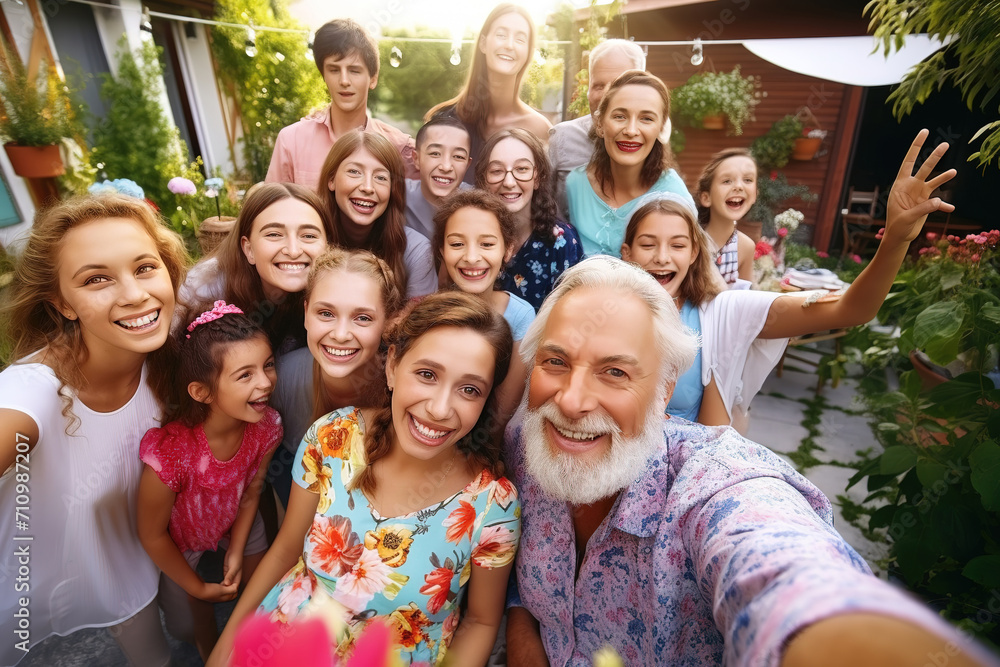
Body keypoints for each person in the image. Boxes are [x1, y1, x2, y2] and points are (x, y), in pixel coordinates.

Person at [503, 256, 994, 667]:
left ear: (664, 390)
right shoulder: (532, 445)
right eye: (556, 361)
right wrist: (525, 634)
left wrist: (838, 632)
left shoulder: (716, 482)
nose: (570, 401)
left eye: (614, 372)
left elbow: (783, 568)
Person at [209, 292, 520, 666]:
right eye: (426, 374)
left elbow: (482, 621)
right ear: (391, 366)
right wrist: (226, 646)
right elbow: (284, 550)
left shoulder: (494, 506)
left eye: (469, 390)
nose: (439, 408)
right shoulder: (332, 437)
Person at [620, 130, 956, 430]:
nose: (662, 256)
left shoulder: (723, 311)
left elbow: (850, 310)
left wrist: (895, 239)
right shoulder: (607, 311)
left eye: (677, 245)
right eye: (648, 244)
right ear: (627, 253)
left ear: (695, 253)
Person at [0, 194, 188, 667]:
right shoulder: (31, 394)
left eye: (145, 267)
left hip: (123, 563)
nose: (133, 294)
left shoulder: (173, 351)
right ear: (62, 303)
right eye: (97, 279)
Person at [138, 301, 281, 660]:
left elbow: (252, 490)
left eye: (267, 365)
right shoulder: (173, 453)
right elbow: (151, 534)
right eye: (245, 375)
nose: (265, 382)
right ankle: (209, 650)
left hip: (238, 520)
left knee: (263, 586)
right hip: (184, 537)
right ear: (202, 392)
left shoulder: (267, 427)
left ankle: (257, 645)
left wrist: (237, 545)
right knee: (192, 614)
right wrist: (198, 587)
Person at [269, 247, 405, 507]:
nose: (341, 334)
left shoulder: (400, 388)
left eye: (362, 318)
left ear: (388, 322)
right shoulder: (281, 378)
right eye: (326, 314)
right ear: (306, 312)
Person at [178, 182, 336, 355]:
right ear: (249, 249)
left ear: (327, 246)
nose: (293, 251)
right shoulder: (203, 288)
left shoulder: (335, 286)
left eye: (308, 236)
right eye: (274, 234)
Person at [266, 18, 418, 189]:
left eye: (354, 71)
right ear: (324, 75)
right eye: (334, 70)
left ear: (373, 79)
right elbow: (271, 210)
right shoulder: (291, 140)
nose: (344, 81)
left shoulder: (399, 146)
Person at [565, 70, 694, 257]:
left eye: (646, 119)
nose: (631, 130)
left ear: (661, 128)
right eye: (620, 116)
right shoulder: (574, 185)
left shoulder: (674, 195)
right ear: (600, 124)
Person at [433, 188, 533, 424]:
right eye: (457, 244)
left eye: (486, 244)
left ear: (507, 250)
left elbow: (500, 416)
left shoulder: (521, 316)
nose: (471, 257)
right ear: (442, 251)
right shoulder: (431, 315)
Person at [426, 3, 552, 184]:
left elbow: (544, 202)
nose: (509, 45)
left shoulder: (539, 130)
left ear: (528, 53)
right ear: (483, 43)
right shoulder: (446, 120)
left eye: (520, 39)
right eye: (501, 35)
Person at [318, 130, 438, 299]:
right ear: (331, 180)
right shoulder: (308, 241)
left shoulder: (416, 251)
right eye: (354, 172)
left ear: (392, 189)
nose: (368, 187)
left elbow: (420, 323)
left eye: (381, 177)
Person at [477, 128, 584, 311]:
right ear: (484, 179)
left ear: (538, 177)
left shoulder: (562, 241)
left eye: (522, 169)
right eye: (496, 171)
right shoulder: (470, 232)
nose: (509, 182)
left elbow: (572, 313)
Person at [548, 39, 646, 216]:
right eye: (598, 86)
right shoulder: (562, 137)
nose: (606, 96)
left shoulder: (650, 141)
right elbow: (541, 207)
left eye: (617, 85)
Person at [695, 148, 758, 285]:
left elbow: (745, 298)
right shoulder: (691, 238)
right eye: (727, 181)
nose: (739, 186)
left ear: (755, 195)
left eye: (747, 180)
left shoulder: (745, 246)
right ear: (706, 197)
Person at [406, 116, 472, 241]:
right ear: (416, 159)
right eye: (435, 153)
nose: (446, 167)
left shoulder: (478, 206)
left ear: (467, 165)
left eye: (458, 156)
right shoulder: (398, 195)